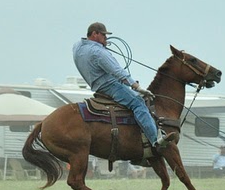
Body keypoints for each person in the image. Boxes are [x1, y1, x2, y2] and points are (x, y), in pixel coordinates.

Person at [73, 22, 173, 155]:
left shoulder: (77, 46)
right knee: (138, 102)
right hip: (110, 85)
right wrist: (136, 87)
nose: (106, 38)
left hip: (96, 85)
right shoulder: (98, 52)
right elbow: (118, 72)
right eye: (103, 35)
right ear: (94, 34)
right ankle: (156, 141)